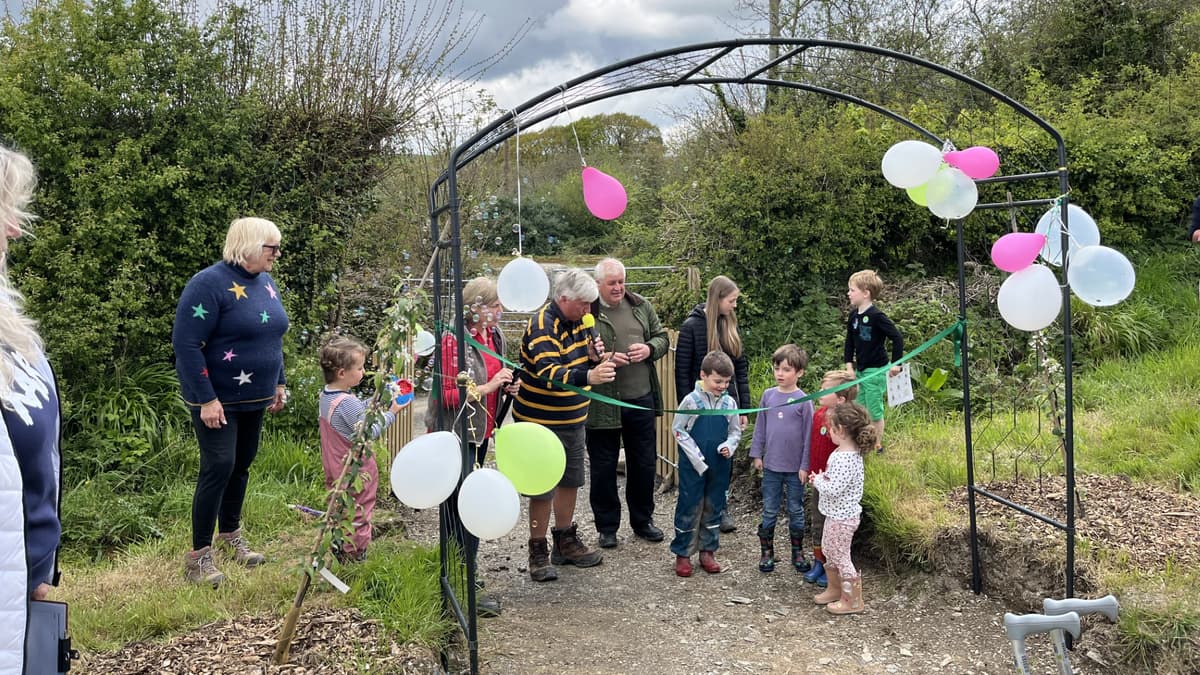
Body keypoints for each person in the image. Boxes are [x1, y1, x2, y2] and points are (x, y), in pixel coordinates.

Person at [173, 217, 289, 587]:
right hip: (217, 399)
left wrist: (280, 381)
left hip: (255, 396)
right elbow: (186, 345)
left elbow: (273, 334)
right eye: (272, 248)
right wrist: (206, 399)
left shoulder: (266, 283)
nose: (277, 255)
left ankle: (231, 536)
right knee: (218, 467)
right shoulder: (208, 284)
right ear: (251, 245)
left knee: (241, 465)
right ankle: (198, 557)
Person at [1, 143, 63, 670]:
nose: (15, 231)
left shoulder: (14, 331)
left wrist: (39, 565)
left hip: (23, 597)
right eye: (5, 212)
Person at [513, 268, 615, 582]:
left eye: (590, 305)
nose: (588, 310)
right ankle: (537, 549)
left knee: (571, 480)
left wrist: (595, 358)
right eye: (583, 304)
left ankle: (565, 541)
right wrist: (589, 376)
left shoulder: (582, 323)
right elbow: (550, 374)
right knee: (543, 487)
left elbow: (582, 362)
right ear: (563, 298)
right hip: (540, 420)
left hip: (572, 418)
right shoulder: (543, 324)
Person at [428, 276, 517, 614]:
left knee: (473, 504)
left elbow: (497, 378)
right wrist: (491, 384)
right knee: (461, 509)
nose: (500, 311)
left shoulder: (493, 337)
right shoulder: (454, 342)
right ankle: (459, 584)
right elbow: (446, 395)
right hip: (458, 435)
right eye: (495, 306)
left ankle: (469, 576)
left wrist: (508, 387)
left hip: (482, 433)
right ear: (477, 308)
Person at [585, 258, 671, 548]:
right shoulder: (587, 312)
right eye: (612, 283)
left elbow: (661, 338)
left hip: (640, 398)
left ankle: (643, 521)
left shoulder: (641, 305)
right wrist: (601, 359)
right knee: (603, 466)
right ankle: (607, 527)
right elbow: (576, 354)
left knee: (644, 464)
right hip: (603, 401)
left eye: (622, 281)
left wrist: (648, 348)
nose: (619, 287)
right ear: (597, 285)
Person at [674, 275, 750, 533]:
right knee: (697, 460)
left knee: (722, 457)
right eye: (732, 300)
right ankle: (694, 511)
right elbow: (682, 372)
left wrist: (743, 407)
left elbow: (741, 370)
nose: (735, 305)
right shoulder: (691, 327)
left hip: (726, 408)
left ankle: (720, 508)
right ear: (717, 299)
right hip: (698, 410)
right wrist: (687, 411)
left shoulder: (730, 326)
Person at [318, 336, 404, 564]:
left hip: (335, 463)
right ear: (342, 373)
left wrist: (374, 403)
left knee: (341, 506)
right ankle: (355, 554)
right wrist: (392, 412)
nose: (364, 371)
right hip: (355, 469)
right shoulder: (347, 403)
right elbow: (368, 430)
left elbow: (354, 417)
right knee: (359, 508)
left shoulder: (329, 395)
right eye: (359, 367)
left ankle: (339, 545)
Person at [670, 351, 742, 577]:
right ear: (703, 375)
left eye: (727, 382)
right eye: (718, 381)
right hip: (693, 465)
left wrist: (730, 446)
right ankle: (683, 553)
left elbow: (735, 431)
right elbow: (678, 429)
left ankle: (708, 550)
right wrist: (696, 457)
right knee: (689, 504)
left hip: (720, 464)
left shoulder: (729, 402)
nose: (722, 386)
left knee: (715, 504)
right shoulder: (691, 401)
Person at [749, 344, 814, 574]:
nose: (780, 374)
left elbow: (809, 437)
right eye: (777, 368)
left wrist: (805, 466)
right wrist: (757, 453)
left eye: (786, 370)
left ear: (799, 373)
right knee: (769, 509)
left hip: (796, 469)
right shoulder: (768, 395)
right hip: (772, 467)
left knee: (796, 510)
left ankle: (797, 552)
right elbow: (761, 426)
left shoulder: (804, 401)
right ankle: (767, 552)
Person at [810, 401, 874, 615]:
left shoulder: (846, 458)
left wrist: (818, 480)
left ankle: (852, 600)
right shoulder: (843, 453)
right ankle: (834, 589)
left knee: (840, 556)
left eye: (831, 428)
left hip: (843, 517)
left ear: (841, 430)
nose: (828, 432)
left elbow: (835, 488)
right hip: (834, 513)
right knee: (829, 550)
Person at [803, 370, 858, 588]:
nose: (821, 392)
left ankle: (833, 566)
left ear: (841, 399)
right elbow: (810, 443)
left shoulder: (846, 424)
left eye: (826, 390)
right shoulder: (818, 415)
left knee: (833, 525)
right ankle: (819, 562)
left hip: (836, 485)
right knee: (817, 522)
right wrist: (806, 468)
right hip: (817, 480)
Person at [843, 269, 903, 452]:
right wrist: (849, 366)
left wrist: (896, 364)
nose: (848, 293)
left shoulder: (877, 316)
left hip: (875, 371)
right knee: (859, 409)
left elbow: (897, 337)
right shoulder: (853, 316)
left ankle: (877, 446)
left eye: (852, 290)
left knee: (874, 411)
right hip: (860, 371)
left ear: (866, 292)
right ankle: (861, 443)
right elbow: (849, 342)